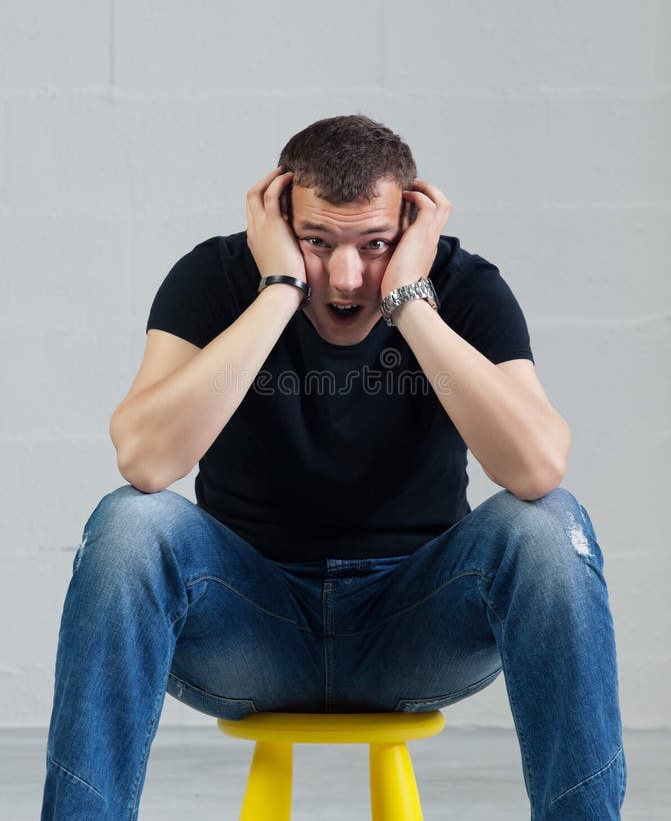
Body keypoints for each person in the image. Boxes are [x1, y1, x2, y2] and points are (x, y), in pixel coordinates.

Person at [41, 114, 626, 819]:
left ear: (411, 228)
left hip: (412, 628)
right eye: (317, 242)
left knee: (548, 527)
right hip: (248, 628)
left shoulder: (462, 287)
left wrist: (409, 298)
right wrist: (280, 288)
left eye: (374, 244)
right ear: (280, 222)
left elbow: (536, 469)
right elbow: (144, 460)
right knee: (127, 522)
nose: (346, 280)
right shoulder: (217, 278)